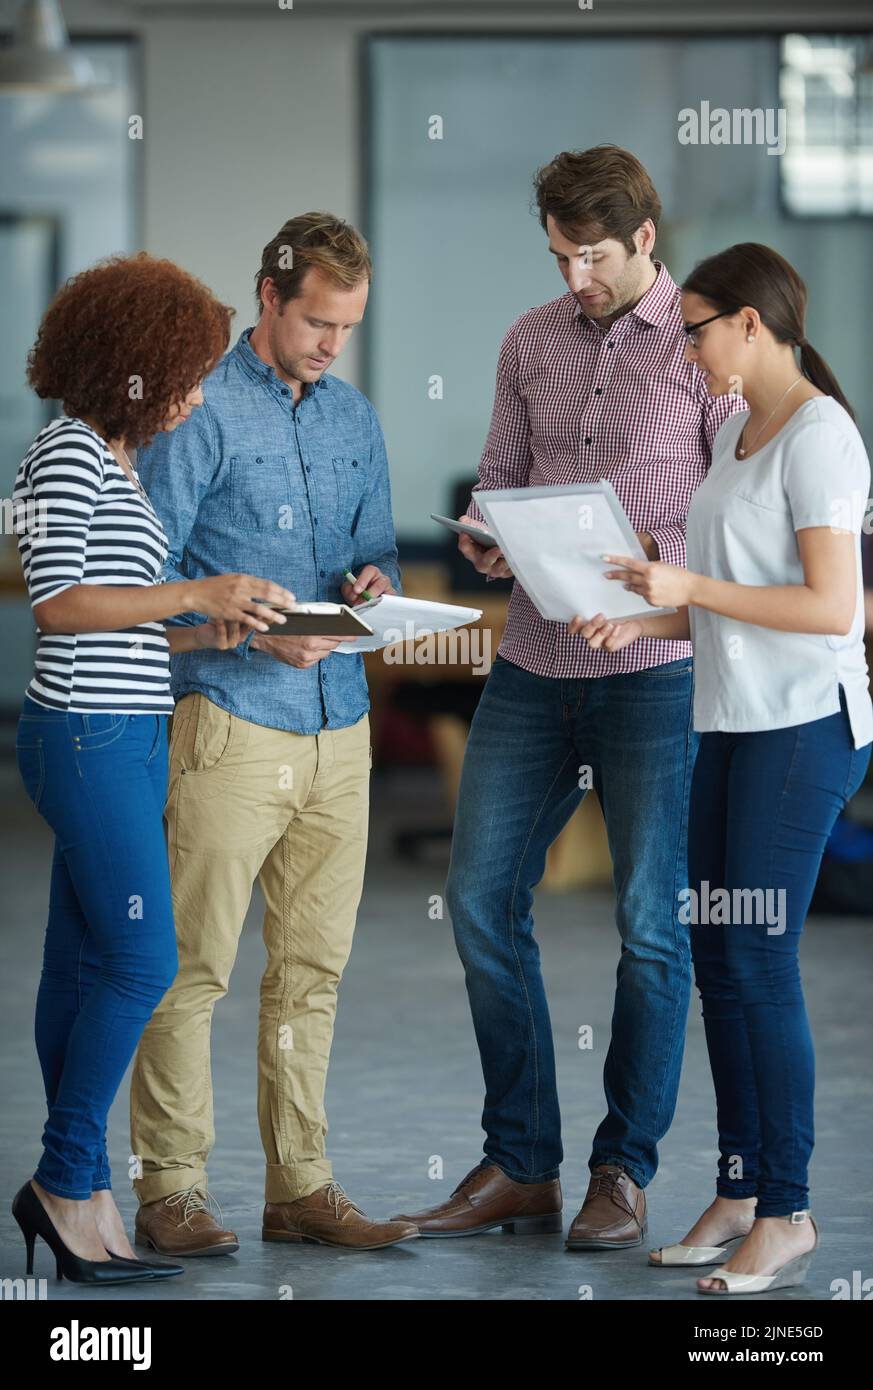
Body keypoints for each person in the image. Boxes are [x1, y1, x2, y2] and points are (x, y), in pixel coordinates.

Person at [390, 146, 746, 1247]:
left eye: (591, 255)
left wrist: (664, 568)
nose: (574, 276)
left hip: (655, 672)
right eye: (557, 255)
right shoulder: (528, 340)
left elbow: (739, 513)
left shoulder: (704, 346)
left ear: (643, 238)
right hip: (535, 664)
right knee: (480, 901)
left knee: (652, 927)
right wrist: (490, 539)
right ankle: (521, 1162)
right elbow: (499, 479)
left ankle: (621, 1171)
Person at [574, 241, 872, 1293]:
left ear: (751, 322)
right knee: (716, 955)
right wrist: (644, 616)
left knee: (758, 958)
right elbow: (733, 596)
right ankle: (739, 1190)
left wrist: (688, 587)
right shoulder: (738, 431)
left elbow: (830, 608)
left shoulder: (821, 438)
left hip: (803, 727)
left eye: (694, 330)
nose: (685, 350)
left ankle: (787, 1211)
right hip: (731, 721)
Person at [129, 213, 418, 1254]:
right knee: (191, 965)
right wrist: (246, 630)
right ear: (269, 296)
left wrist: (374, 581)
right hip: (231, 722)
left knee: (310, 972)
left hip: (340, 728)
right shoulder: (196, 409)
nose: (332, 344)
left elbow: (377, 551)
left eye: (347, 327)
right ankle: (169, 1187)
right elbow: (144, 581)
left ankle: (300, 1186)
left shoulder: (354, 418)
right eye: (316, 322)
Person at [10, 253, 296, 1286]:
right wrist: (191, 592)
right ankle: (62, 1180)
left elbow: (119, 618)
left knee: (83, 963)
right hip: (84, 734)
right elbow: (56, 605)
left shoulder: (117, 463)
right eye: (187, 375)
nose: (196, 396)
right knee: (142, 961)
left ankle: (84, 1196)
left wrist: (209, 629)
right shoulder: (66, 454)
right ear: (134, 363)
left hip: (124, 729)